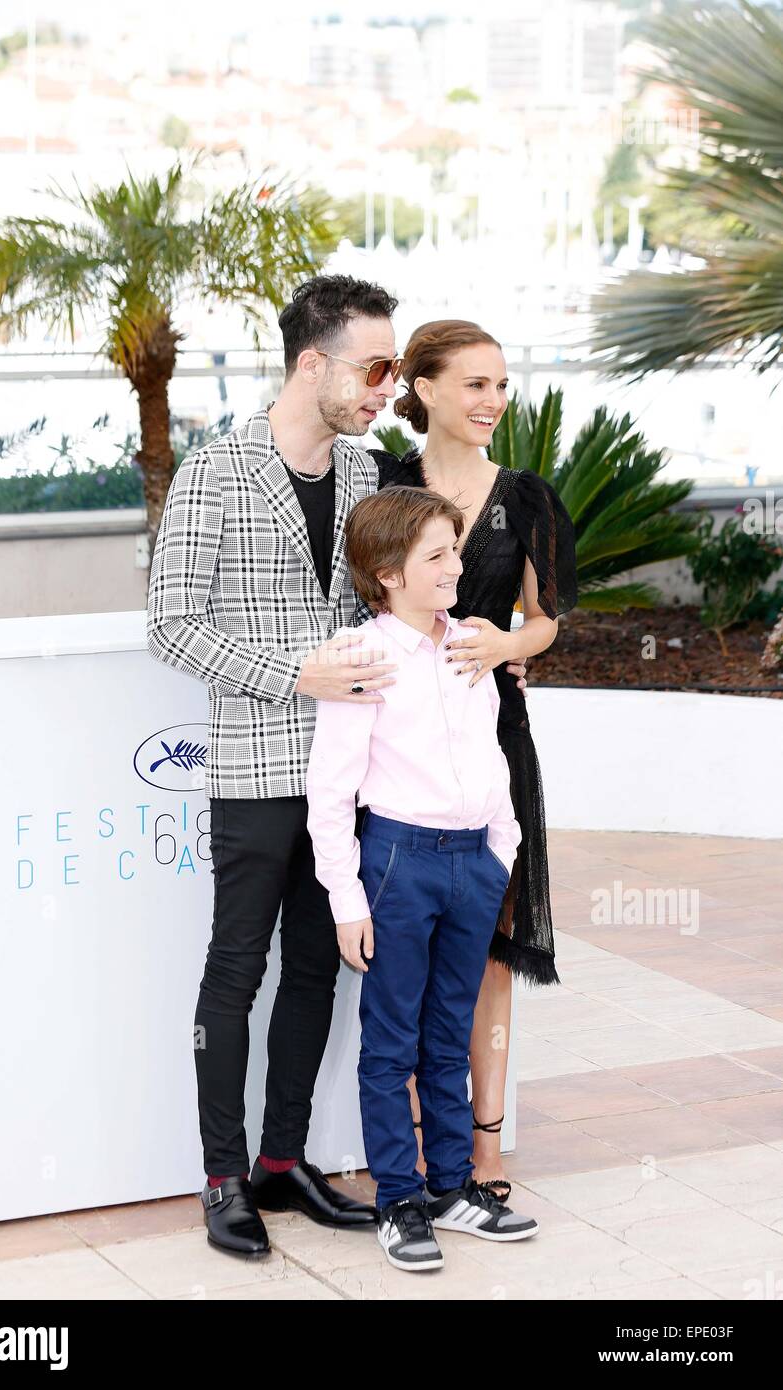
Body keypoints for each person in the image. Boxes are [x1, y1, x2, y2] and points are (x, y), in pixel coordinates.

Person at [146, 275, 408, 1257]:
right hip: (255, 767)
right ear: (313, 363)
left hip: (346, 775)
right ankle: (222, 1178)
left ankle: (282, 1161)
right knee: (236, 970)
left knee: (315, 971)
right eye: (374, 367)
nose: (385, 386)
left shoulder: (370, 469)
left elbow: (385, 606)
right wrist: (292, 672)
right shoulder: (215, 474)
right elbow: (172, 628)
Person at [368, 320, 578, 1201]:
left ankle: (483, 1154)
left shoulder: (528, 498)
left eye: (501, 385)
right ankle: (417, 1155)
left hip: (497, 740)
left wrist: (506, 645)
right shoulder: (380, 483)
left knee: (490, 957)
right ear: (423, 390)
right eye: (475, 384)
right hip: (399, 744)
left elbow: (548, 621)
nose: (493, 401)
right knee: (407, 953)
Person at [306, 485, 539, 1271]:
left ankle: (450, 1187)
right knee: (392, 1038)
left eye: (456, 549)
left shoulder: (471, 641)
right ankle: (399, 1201)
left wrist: (501, 848)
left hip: (475, 858)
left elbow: (489, 752)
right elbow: (332, 793)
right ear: (387, 574)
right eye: (436, 555)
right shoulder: (363, 659)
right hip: (400, 862)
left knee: (449, 1033)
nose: (456, 566)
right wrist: (347, 901)